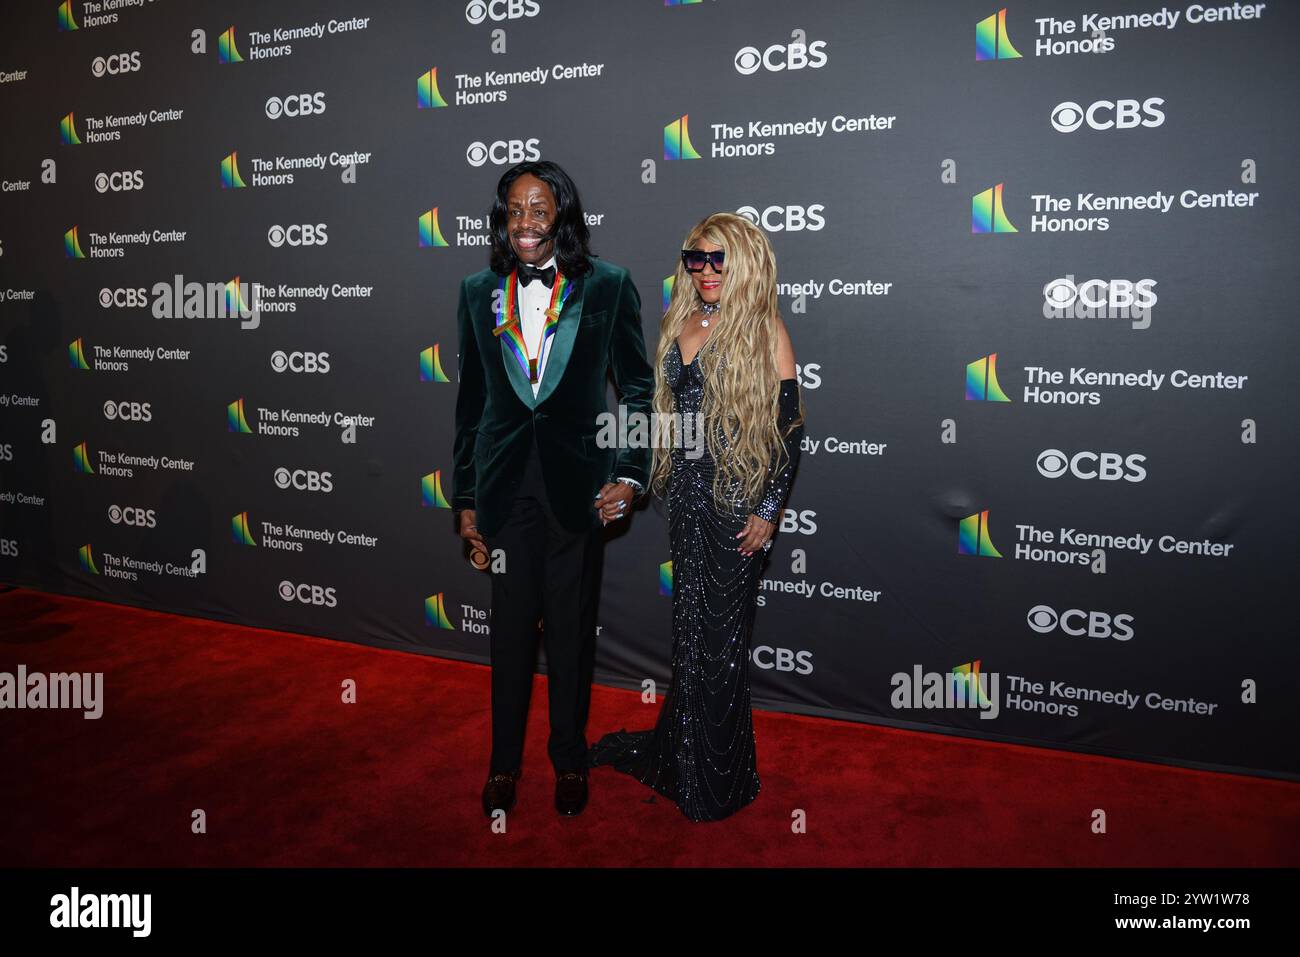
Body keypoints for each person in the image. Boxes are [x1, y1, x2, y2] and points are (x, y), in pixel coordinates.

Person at [451, 160, 654, 818]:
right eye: (515, 210)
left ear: (562, 215)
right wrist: (466, 496)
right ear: (502, 219)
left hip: (579, 492)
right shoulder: (477, 290)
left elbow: (640, 389)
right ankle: (502, 764)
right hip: (505, 489)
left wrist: (628, 472)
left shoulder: (609, 287)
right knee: (508, 636)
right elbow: (472, 401)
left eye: (539, 209)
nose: (526, 222)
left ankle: (568, 757)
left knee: (570, 634)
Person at [587, 212, 804, 822]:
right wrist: (631, 479)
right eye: (696, 259)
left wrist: (767, 510)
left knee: (722, 643)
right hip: (684, 500)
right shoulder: (677, 322)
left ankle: (719, 781)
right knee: (690, 638)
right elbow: (663, 421)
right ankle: (683, 759)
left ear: (745, 263)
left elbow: (789, 430)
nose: (707, 271)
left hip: (735, 501)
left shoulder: (765, 330)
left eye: (719, 259)